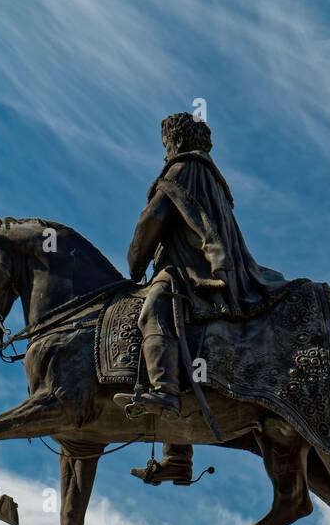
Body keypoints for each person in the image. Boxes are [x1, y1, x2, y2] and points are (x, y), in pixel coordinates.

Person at [117, 111, 288, 483]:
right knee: (180, 332)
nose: (165, 152)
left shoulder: (180, 171)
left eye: (166, 145)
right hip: (212, 271)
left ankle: (163, 391)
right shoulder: (212, 178)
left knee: (152, 312)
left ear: (175, 142)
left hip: (189, 273)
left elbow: (152, 221)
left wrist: (134, 263)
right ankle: (177, 455)